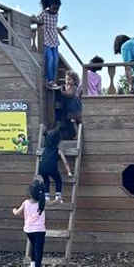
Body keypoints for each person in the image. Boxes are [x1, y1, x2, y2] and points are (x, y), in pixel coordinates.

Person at [40, 70, 80, 203]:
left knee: (71, 122)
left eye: (69, 79)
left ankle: (75, 135)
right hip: (65, 108)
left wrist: (60, 90)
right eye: (66, 79)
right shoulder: (56, 150)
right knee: (64, 122)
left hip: (72, 108)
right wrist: (60, 88)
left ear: (74, 80)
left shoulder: (72, 88)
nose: (67, 81)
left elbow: (69, 94)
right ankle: (53, 196)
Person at [13, 179, 47, 267]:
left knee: (33, 245)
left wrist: (14, 210)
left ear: (30, 193)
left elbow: (16, 213)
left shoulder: (26, 203)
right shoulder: (42, 203)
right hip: (39, 231)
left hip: (28, 230)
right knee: (38, 249)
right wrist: (57, 200)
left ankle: (33, 263)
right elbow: (52, 203)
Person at [34, 0, 66, 88]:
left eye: (57, 8)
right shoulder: (44, 13)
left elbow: (54, 26)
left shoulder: (56, 15)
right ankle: (50, 80)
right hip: (46, 39)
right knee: (50, 59)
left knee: (56, 60)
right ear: (49, 6)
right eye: (54, 8)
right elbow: (37, 20)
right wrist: (33, 18)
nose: (56, 10)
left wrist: (61, 29)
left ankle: (53, 80)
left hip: (54, 40)